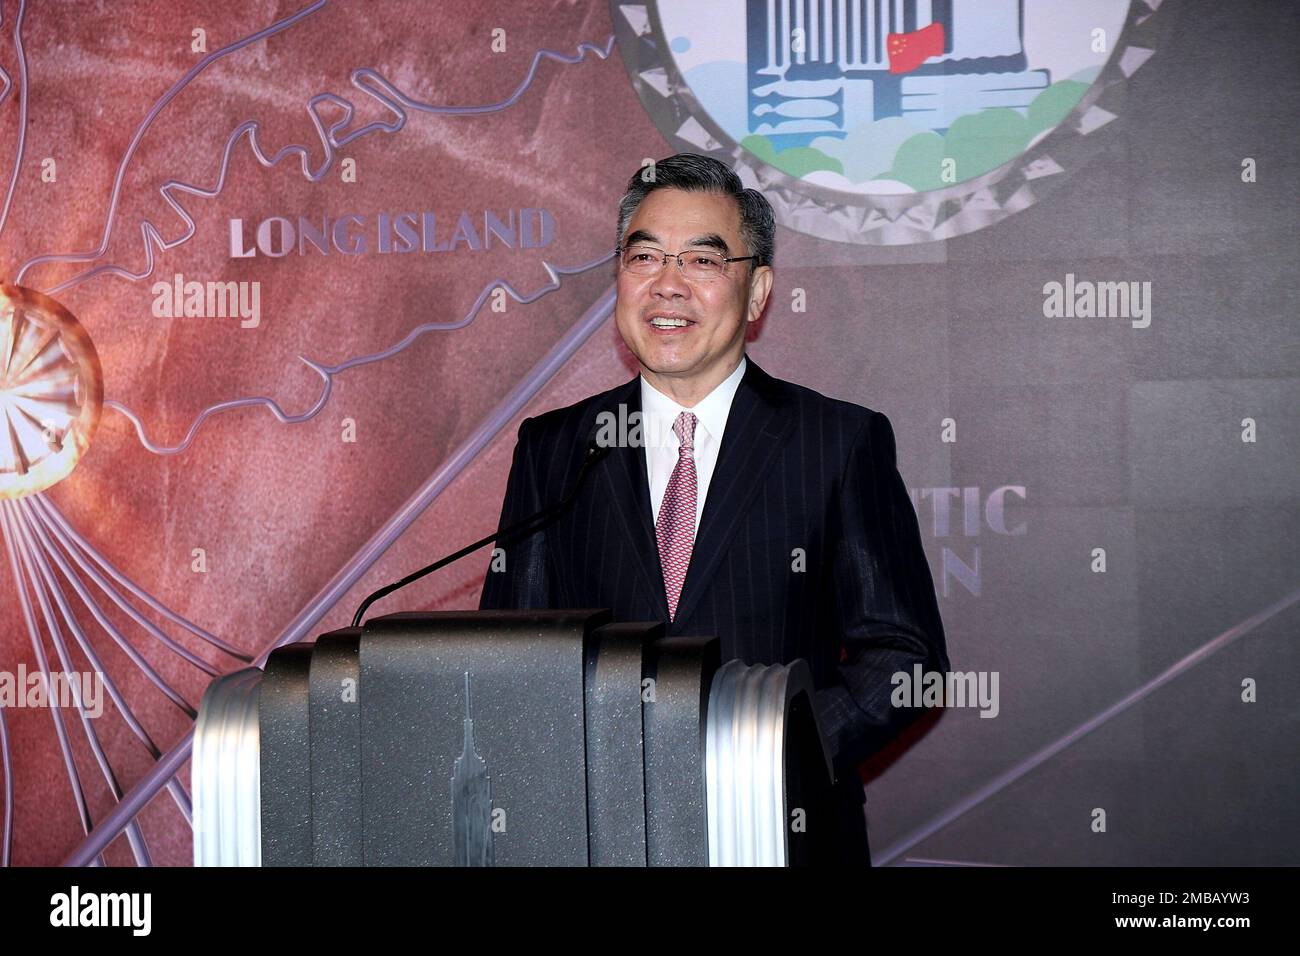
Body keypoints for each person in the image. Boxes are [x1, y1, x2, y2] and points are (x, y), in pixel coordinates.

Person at [479, 152, 949, 864]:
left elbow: (906, 659)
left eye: (703, 261)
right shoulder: (556, 448)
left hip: (781, 832)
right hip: (599, 842)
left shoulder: (837, 442)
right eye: (645, 257)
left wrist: (767, 749)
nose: (668, 285)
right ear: (619, 277)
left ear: (757, 291)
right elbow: (509, 656)